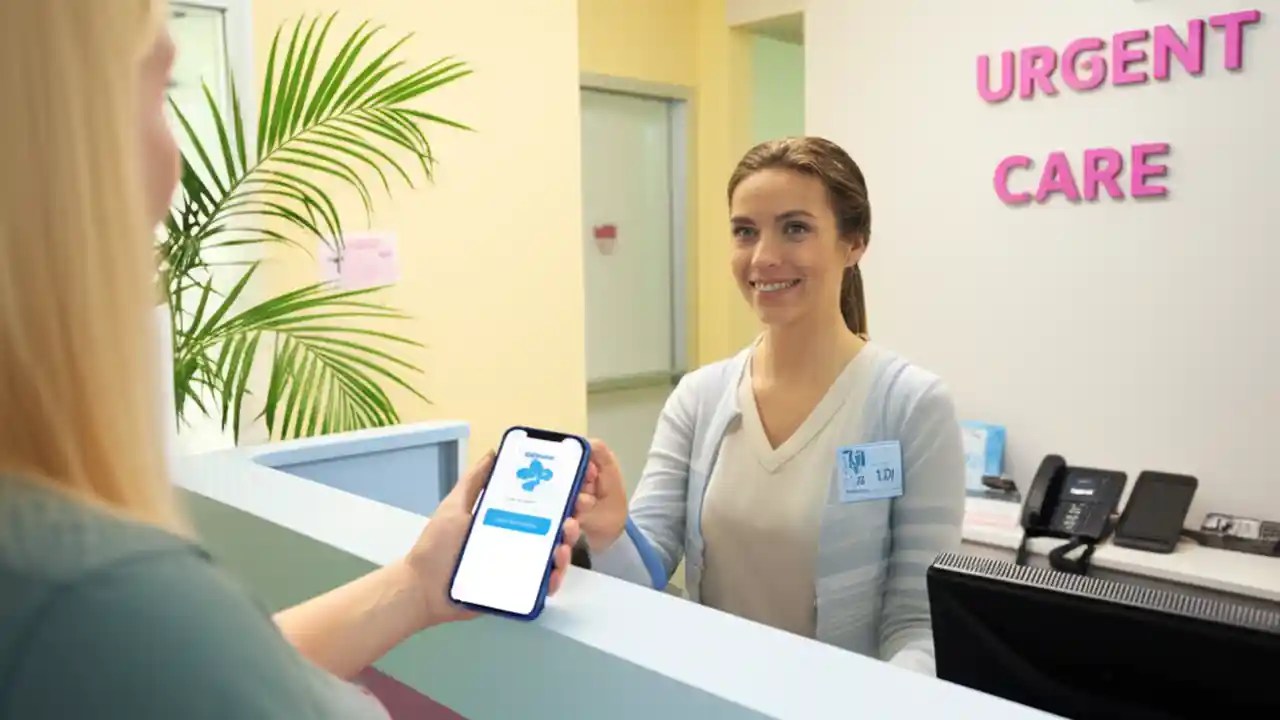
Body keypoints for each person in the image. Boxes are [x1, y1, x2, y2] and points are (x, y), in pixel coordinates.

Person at [0, 2, 580, 717]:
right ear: (49, 139)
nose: (173, 172)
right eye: (160, 92)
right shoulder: (90, 596)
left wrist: (418, 584)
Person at [575, 136, 965, 674]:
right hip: (708, 699)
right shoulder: (700, 398)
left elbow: (918, 626)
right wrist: (609, 533)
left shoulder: (910, 405)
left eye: (795, 228)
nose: (763, 257)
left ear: (854, 243)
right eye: (745, 231)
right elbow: (642, 581)